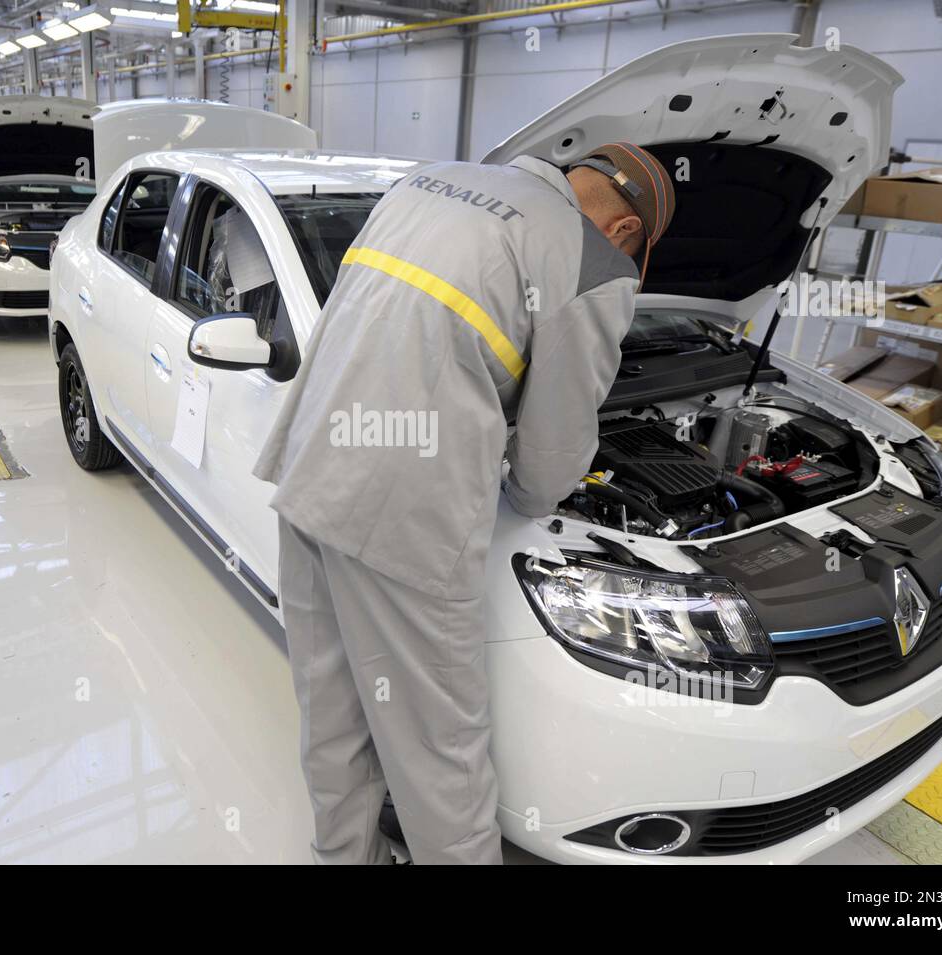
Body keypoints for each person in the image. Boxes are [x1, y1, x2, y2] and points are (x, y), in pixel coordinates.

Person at [254, 143, 676, 864]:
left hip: (309, 469)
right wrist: (526, 485)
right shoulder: (593, 261)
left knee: (333, 716)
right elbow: (550, 458)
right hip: (403, 517)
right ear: (626, 233)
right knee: (439, 756)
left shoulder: (430, 178)